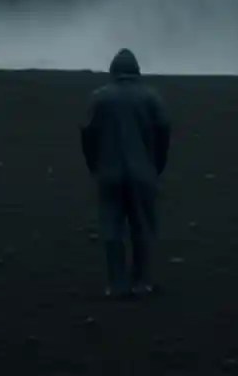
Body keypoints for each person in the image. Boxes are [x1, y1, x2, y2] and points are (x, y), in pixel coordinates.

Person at [81, 48, 172, 299]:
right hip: (143, 172)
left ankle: (116, 284)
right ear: (136, 71)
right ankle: (141, 282)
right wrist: (157, 165)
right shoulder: (151, 97)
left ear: (113, 71)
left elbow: (87, 134)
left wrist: (94, 166)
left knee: (112, 229)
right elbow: (164, 131)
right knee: (142, 227)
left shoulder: (99, 98)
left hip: (108, 173)